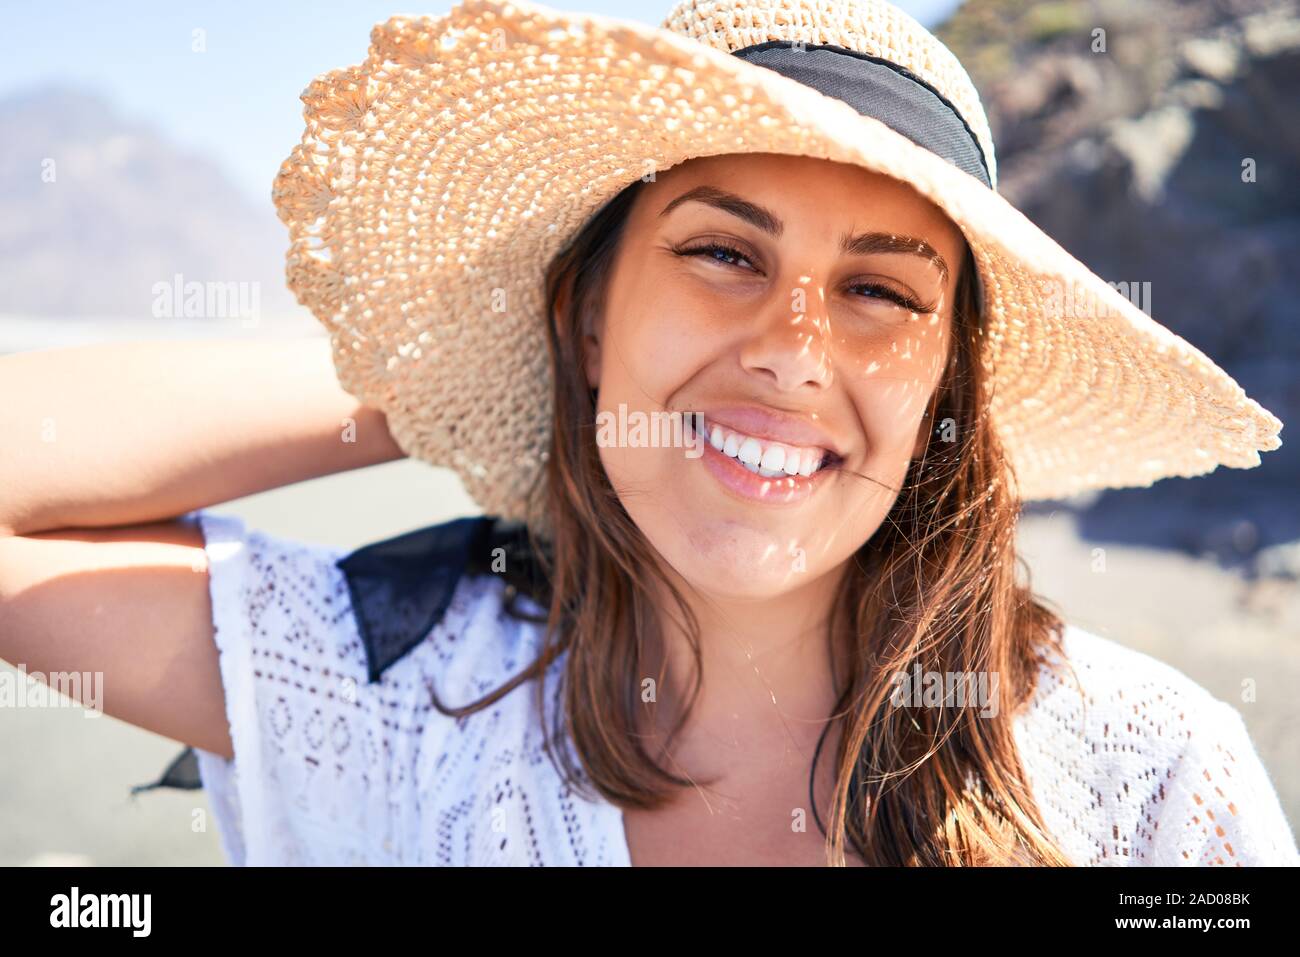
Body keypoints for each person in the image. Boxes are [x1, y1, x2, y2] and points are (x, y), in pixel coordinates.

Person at [1, 0, 1296, 866]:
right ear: (584, 319)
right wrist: (443, 371)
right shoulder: (401, 689)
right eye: (724, 253)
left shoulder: (1152, 775)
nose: (796, 348)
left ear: (946, 388)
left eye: (882, 291)